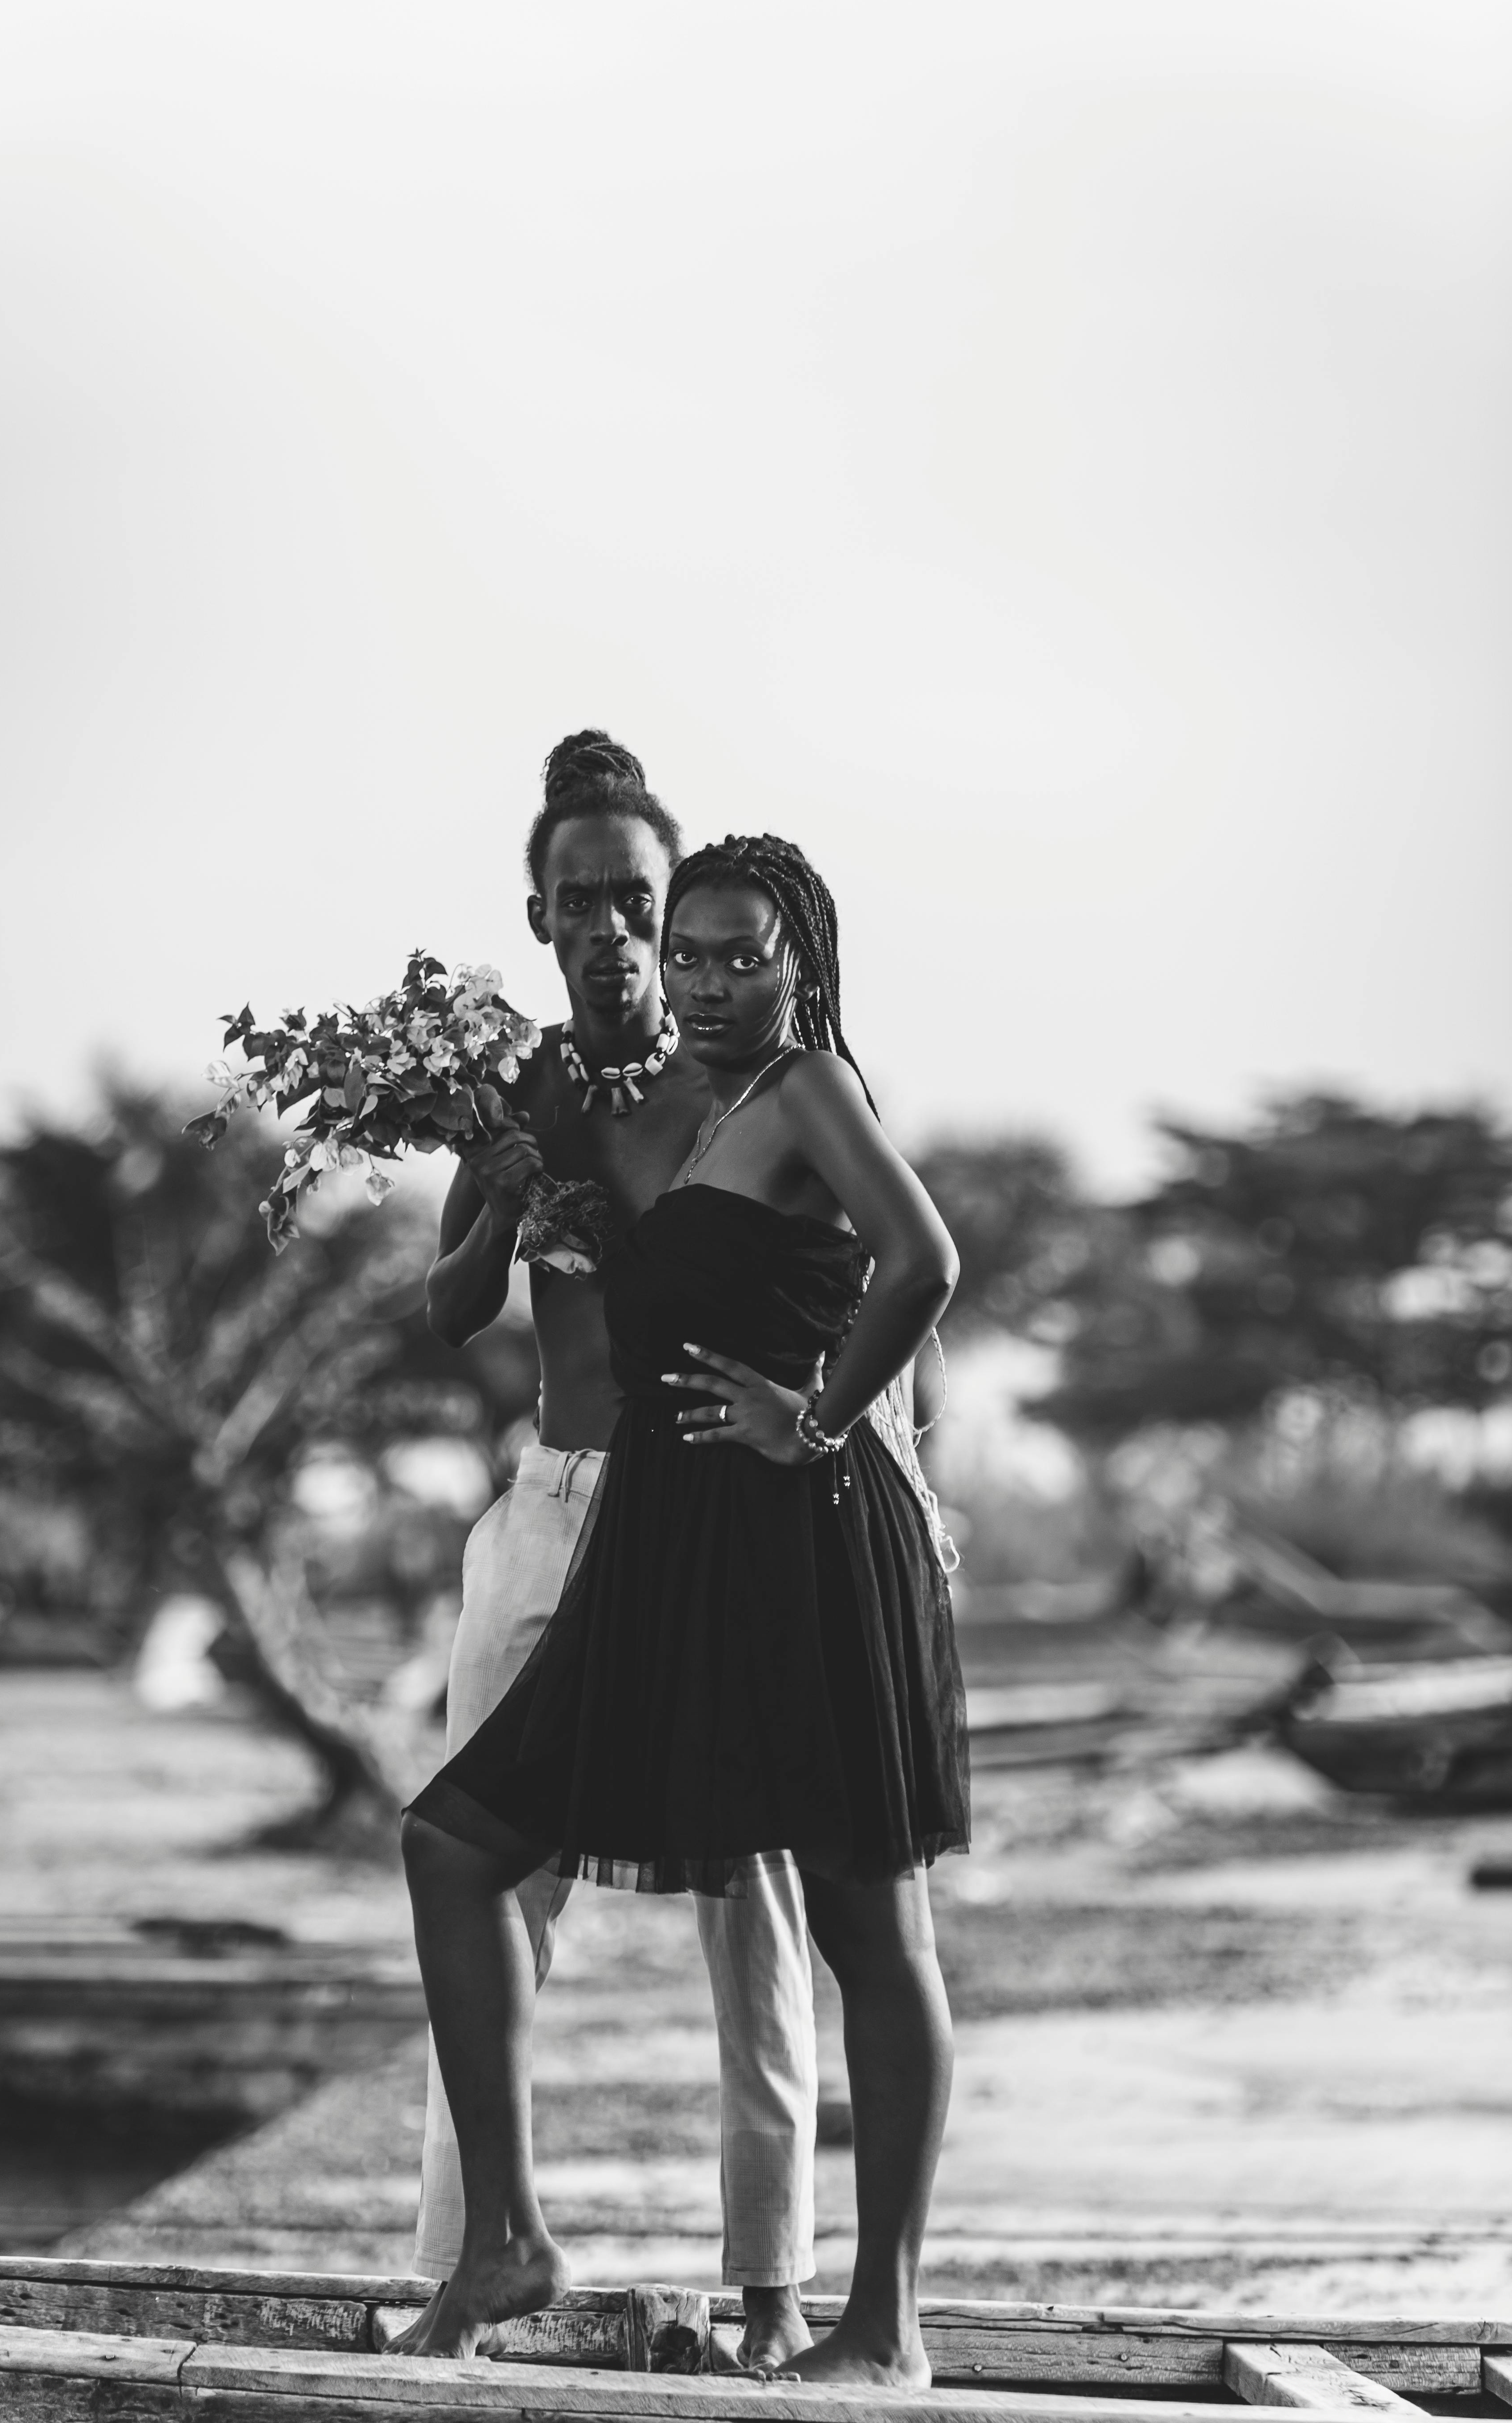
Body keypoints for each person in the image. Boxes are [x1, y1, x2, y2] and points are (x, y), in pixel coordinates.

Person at [401, 831, 968, 2384]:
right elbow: (485, 1305)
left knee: (868, 1927)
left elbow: (926, 1264)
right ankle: (504, 2239)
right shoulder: (698, 1109)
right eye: (698, 955)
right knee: (454, 1847)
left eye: (740, 954)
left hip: (803, 1550)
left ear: (803, 964)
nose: (712, 980)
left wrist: (823, 1417)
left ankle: (883, 2324)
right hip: (671, 1554)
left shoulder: (806, 1092)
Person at [394, 743, 820, 2372]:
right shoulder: (510, 1087)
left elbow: (832, 1283)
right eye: (576, 903)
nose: (608, 931)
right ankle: (469, 2255)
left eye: (635, 900)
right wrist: (504, 1198)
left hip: (703, 1508)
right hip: (552, 1502)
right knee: (487, 1875)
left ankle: (773, 2296)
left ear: (676, 910)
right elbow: (448, 1314)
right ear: (537, 915)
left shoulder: (748, 1077)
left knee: (752, 1892)